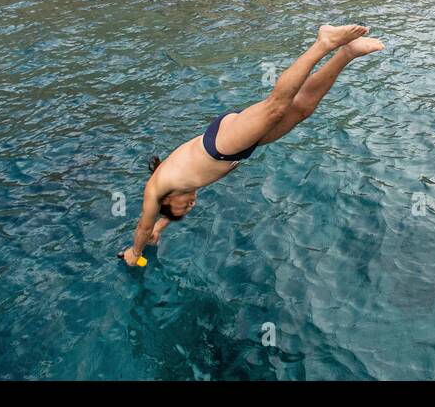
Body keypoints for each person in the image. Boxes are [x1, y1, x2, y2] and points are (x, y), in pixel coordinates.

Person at [120, 24, 384, 265]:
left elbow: (143, 227)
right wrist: (161, 228)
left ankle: (324, 42)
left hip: (220, 145)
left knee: (276, 106)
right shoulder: (176, 188)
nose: (190, 206)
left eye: (181, 208)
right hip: (237, 148)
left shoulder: (156, 190)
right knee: (302, 109)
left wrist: (136, 252)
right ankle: (347, 54)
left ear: (167, 199)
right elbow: (159, 221)